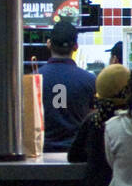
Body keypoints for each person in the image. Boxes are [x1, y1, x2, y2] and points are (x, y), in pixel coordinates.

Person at [38, 20, 96, 152]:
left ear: (49, 44)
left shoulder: (34, 79)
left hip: (41, 152)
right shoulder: (90, 80)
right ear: (75, 46)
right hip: (77, 153)